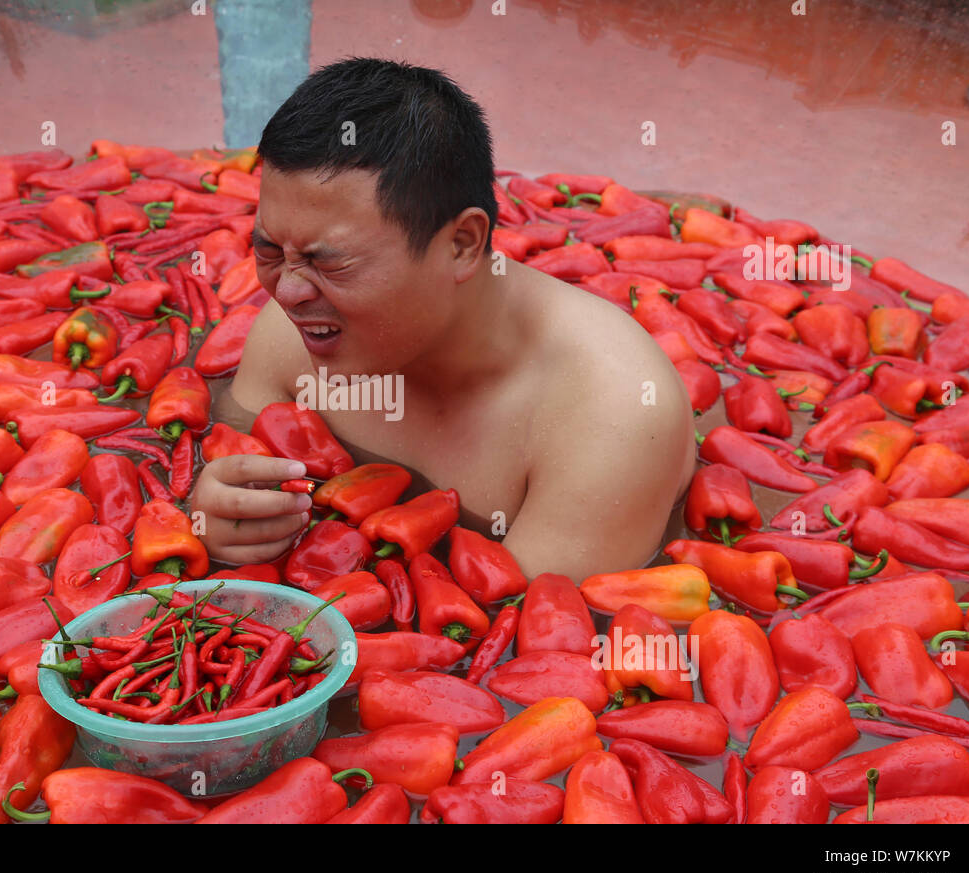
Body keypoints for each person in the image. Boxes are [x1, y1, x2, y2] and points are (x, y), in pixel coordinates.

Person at [190, 58, 696, 582]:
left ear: (461, 244)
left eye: (329, 260)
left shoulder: (610, 414)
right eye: (270, 250)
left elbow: (528, 642)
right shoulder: (297, 329)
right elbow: (229, 453)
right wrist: (210, 518)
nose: (289, 292)